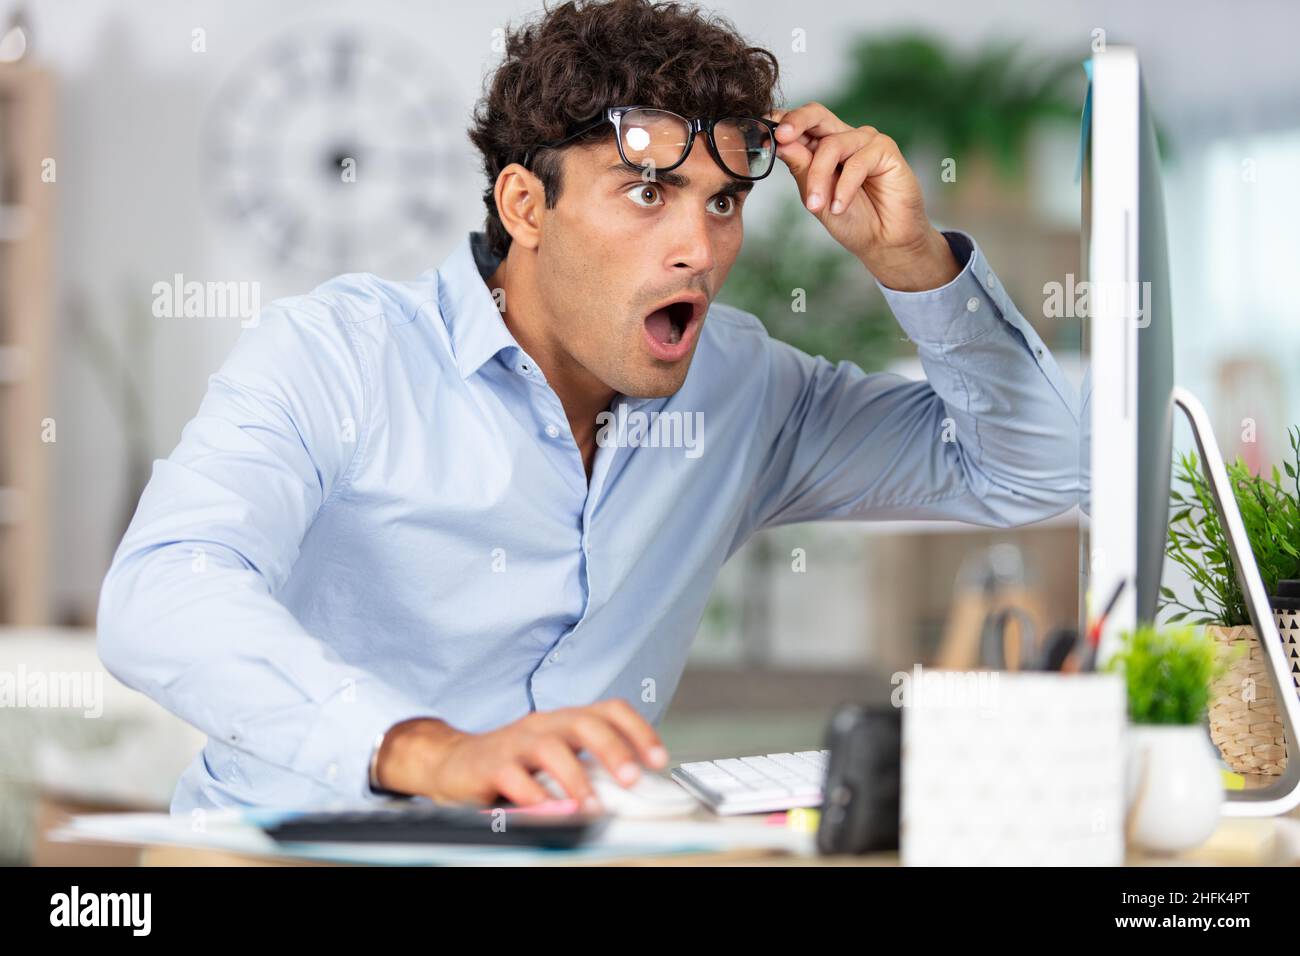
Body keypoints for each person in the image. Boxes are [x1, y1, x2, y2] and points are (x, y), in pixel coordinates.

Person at [97, 0, 1079, 814]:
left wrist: (913, 265)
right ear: (526, 207)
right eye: (649, 193)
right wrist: (425, 750)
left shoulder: (743, 387)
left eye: (723, 202)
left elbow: (1034, 471)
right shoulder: (342, 355)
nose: (699, 244)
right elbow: (163, 595)